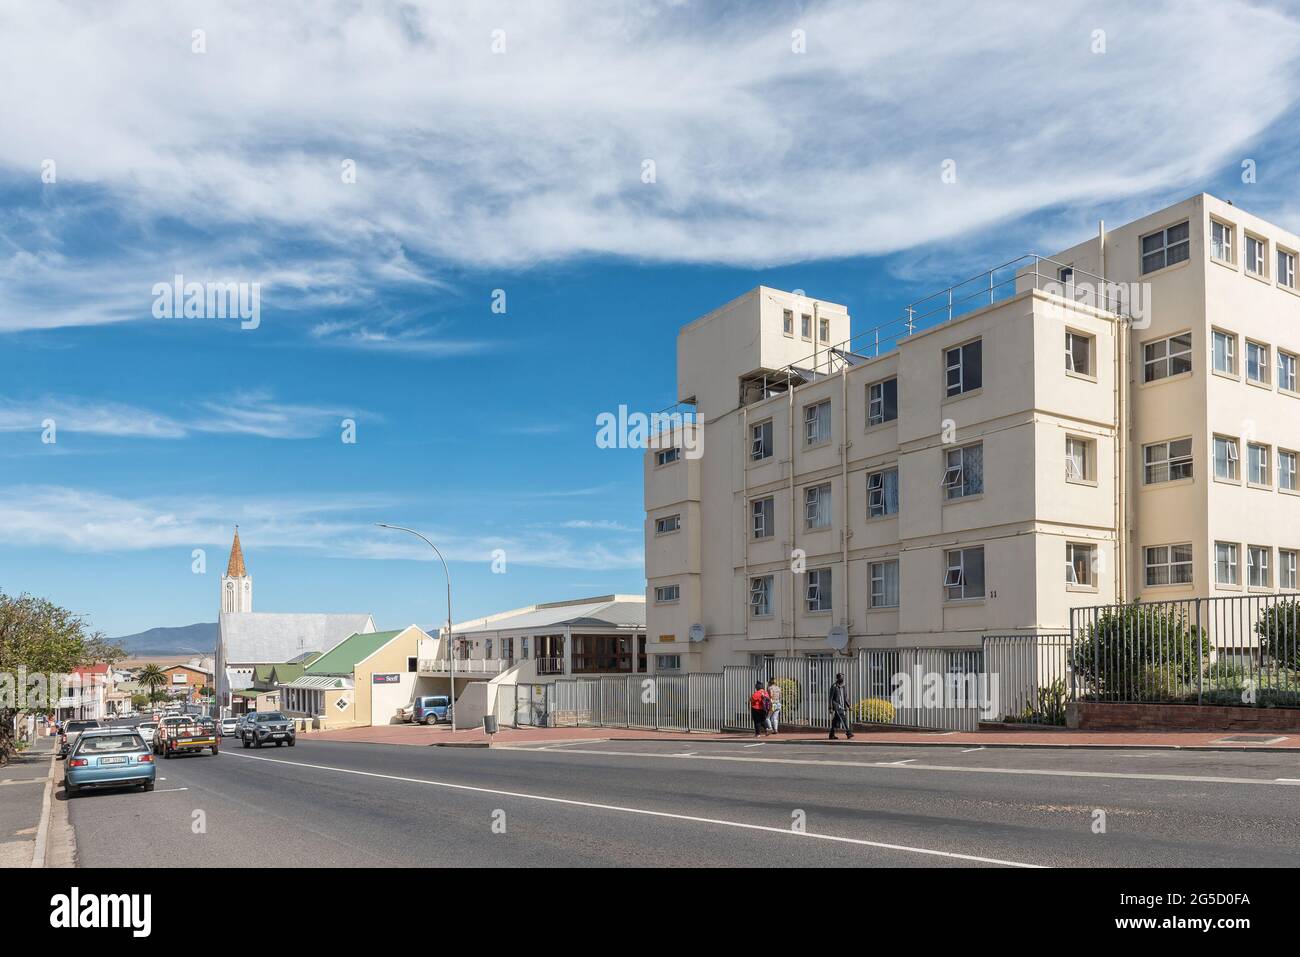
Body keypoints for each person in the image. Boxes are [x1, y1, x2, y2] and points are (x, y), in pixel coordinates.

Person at [828, 673, 854, 740]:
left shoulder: (843, 687)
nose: (842, 679)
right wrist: (830, 708)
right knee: (843, 719)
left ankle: (831, 735)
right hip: (837, 706)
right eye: (841, 677)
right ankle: (848, 733)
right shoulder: (834, 686)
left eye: (843, 677)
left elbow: (845, 698)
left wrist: (849, 706)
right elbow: (830, 698)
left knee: (835, 721)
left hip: (842, 706)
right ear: (838, 678)